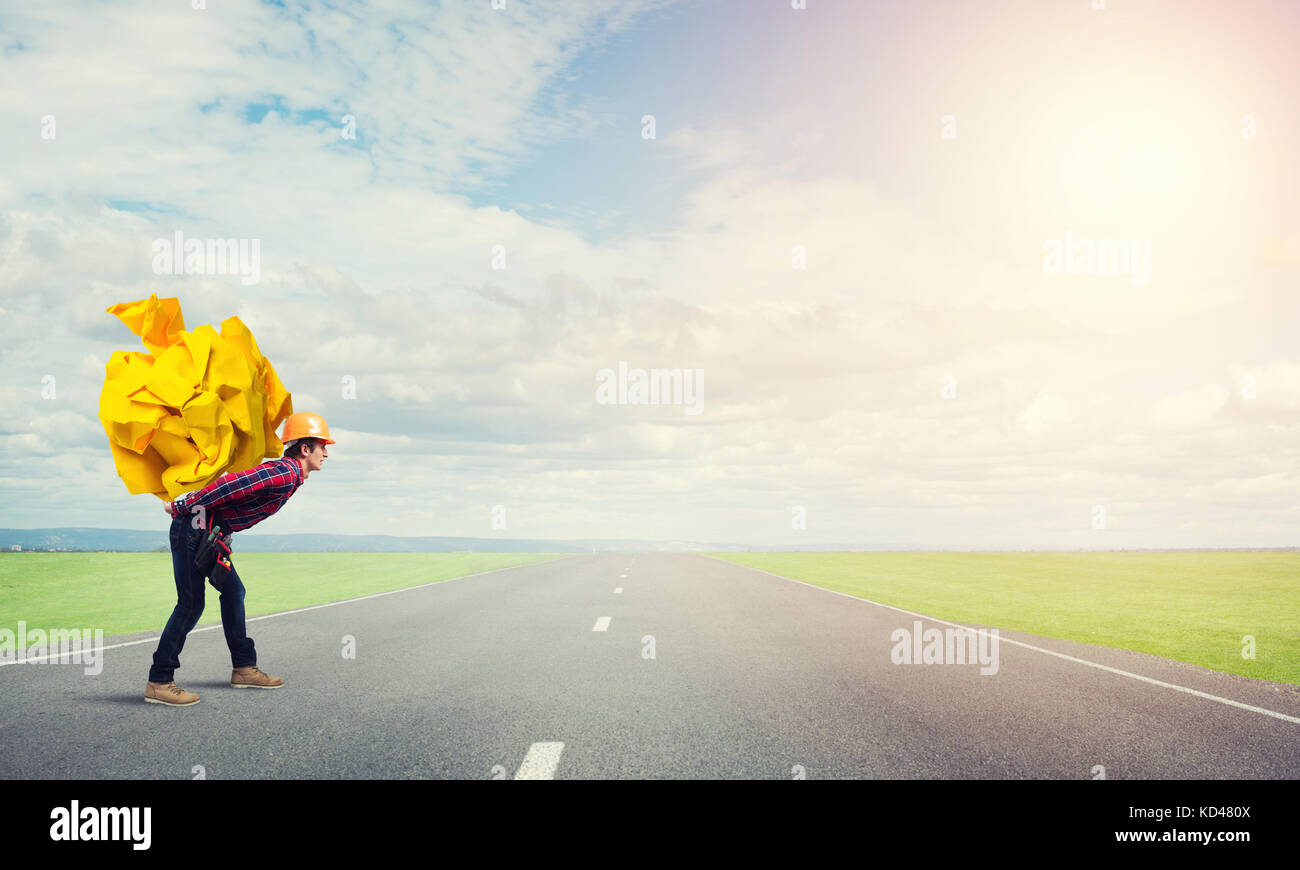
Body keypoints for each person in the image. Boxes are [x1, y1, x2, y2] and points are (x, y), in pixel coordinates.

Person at [144, 412, 334, 706]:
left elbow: (234, 501)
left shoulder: (291, 476)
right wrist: (185, 504)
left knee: (234, 592)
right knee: (191, 604)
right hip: (193, 529)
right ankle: (159, 681)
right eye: (323, 445)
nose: (327, 452)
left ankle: (244, 669)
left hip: (209, 534)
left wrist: (223, 535)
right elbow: (231, 484)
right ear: (305, 449)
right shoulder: (284, 472)